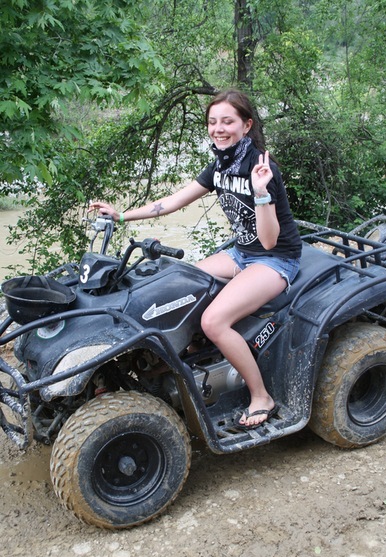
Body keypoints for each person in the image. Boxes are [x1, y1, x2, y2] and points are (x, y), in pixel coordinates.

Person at [89, 89, 302, 429]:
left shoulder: (261, 168)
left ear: (246, 125)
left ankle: (261, 396)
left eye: (227, 121)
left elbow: (269, 241)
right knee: (180, 287)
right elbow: (173, 202)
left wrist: (261, 192)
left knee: (213, 321)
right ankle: (191, 363)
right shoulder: (221, 164)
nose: (219, 128)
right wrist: (121, 215)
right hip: (241, 253)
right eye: (213, 122)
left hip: (275, 260)